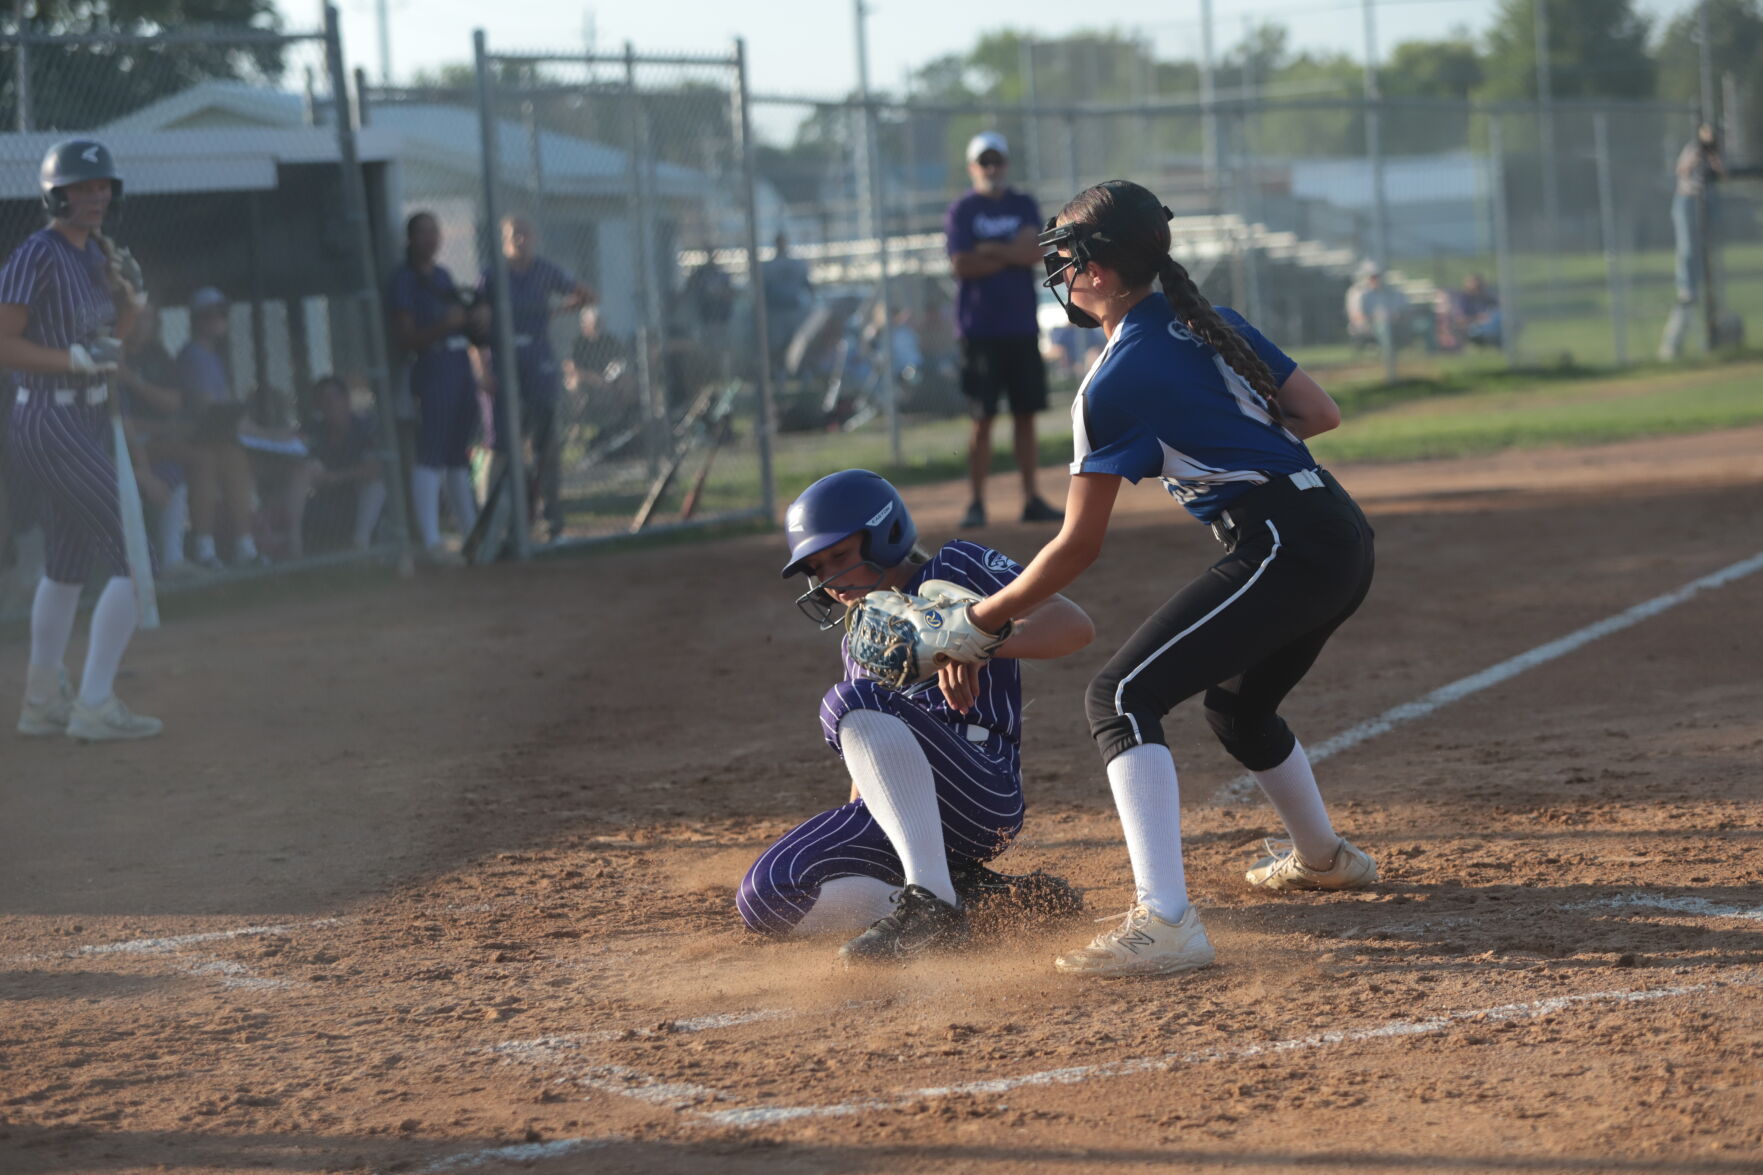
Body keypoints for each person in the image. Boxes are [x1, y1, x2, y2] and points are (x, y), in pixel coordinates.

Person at [961, 180, 1378, 978]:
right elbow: (1317, 415)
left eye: (1069, 258)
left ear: (1105, 270)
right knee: (1237, 704)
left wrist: (987, 617)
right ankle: (1322, 857)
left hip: (1283, 541)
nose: (1060, 273)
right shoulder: (1205, 320)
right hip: (1338, 530)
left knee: (1119, 697)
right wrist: (1220, 433)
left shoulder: (1113, 380)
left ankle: (1164, 920)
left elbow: (1076, 547)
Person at [738, 469, 1094, 962]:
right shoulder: (862, 639)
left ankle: (934, 905)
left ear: (885, 534)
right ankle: (979, 903)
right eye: (817, 568)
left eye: (839, 556)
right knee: (767, 894)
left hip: (979, 788)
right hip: (909, 817)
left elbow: (1074, 627)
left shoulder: (953, 568)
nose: (830, 579)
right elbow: (870, 756)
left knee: (846, 699)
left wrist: (974, 642)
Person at [3, 139, 161, 740]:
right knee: (130, 558)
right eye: (82, 187)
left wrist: (132, 308)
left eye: (102, 187)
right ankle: (94, 702)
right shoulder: (38, 253)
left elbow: (106, 353)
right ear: (55, 193)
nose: (96, 197)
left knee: (68, 564)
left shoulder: (96, 255)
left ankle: (42, 699)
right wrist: (67, 358)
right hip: (49, 415)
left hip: (84, 416)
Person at [945, 132, 1062, 529]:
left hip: (1020, 326)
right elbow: (962, 265)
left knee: (1025, 415)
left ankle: (1031, 498)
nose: (991, 169)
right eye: (984, 162)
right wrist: (1011, 252)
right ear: (972, 168)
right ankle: (976, 502)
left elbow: (1035, 252)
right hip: (979, 330)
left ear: (1006, 164)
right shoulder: (963, 210)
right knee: (983, 418)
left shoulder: (1022, 203)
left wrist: (990, 249)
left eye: (997, 161)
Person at [477, 215, 593, 544]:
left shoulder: (544, 271)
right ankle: (497, 526)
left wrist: (554, 312)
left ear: (535, 236)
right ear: (503, 239)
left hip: (538, 365)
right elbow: (477, 327)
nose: (521, 240)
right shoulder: (491, 276)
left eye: (526, 234)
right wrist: (482, 370)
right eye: (515, 235)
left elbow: (587, 295)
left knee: (545, 447)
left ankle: (552, 525)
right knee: (500, 447)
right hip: (503, 367)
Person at [388, 211, 485, 558]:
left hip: (459, 364)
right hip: (432, 365)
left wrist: (472, 320)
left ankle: (471, 533)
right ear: (410, 239)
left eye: (435, 232)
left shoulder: (443, 276)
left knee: (458, 454)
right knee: (431, 451)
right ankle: (429, 538)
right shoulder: (405, 280)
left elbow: (463, 322)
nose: (431, 239)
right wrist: (447, 325)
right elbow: (407, 337)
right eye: (423, 233)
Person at [1661, 123, 1726, 361]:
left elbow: (1722, 174)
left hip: (1706, 204)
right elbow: (1682, 170)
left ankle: (1696, 281)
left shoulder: (1715, 154)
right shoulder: (1693, 149)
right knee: (1687, 249)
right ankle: (1686, 286)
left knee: (1702, 252)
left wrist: (1714, 159)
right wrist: (1698, 154)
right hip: (1688, 200)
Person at [301, 374, 386, 552]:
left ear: (346, 399)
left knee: (375, 487)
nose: (330, 404)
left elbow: (374, 470)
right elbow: (295, 440)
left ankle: (360, 544)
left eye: (334, 397)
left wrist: (335, 477)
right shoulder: (317, 428)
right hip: (324, 498)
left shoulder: (363, 428)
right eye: (323, 399)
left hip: (353, 495)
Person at [761, 231, 813, 367]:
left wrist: (810, 304)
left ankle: (801, 371)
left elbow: (807, 285)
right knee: (777, 344)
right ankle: (779, 372)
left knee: (798, 343)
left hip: (795, 310)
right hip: (776, 312)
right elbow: (764, 290)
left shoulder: (797, 264)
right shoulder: (768, 267)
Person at [1344, 260, 1409, 352]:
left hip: (1389, 323)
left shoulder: (1386, 293)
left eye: (1377, 277)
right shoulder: (1360, 294)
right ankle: (1389, 354)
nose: (1376, 280)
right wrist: (1375, 318)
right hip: (1368, 326)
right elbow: (1357, 316)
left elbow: (1397, 311)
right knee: (1384, 328)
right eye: (1373, 277)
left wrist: (1392, 316)